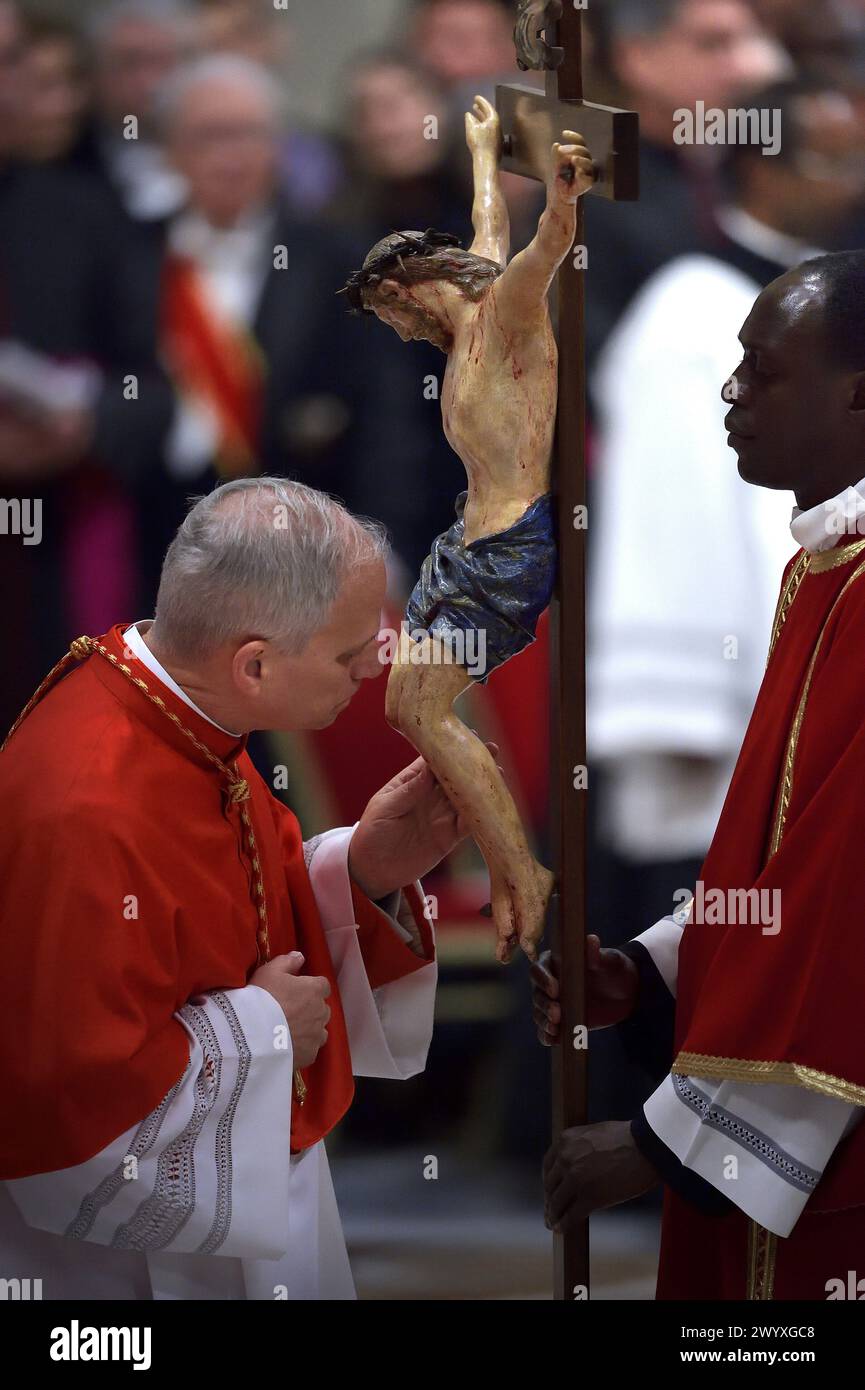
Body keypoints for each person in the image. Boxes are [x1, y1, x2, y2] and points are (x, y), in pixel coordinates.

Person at [0, 477, 453, 1301]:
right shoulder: (86, 800)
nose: (372, 666)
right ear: (253, 663)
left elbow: (237, 908)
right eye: (352, 651)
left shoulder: (182, 712)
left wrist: (364, 873)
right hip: (117, 1271)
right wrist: (263, 1025)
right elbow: (67, 1098)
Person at [534, 252, 865, 1301]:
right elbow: (782, 843)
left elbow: (842, 902)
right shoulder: (823, 566)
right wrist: (661, 963)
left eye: (762, 371)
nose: (731, 394)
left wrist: (662, 1144)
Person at [588, 77, 865, 969]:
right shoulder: (691, 308)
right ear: (757, 168)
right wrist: (687, 700)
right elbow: (668, 529)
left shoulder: (829, 301)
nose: (852, 179)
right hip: (712, 719)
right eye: (831, 158)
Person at [343, 99, 594, 961]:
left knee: (416, 704)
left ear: (411, 285)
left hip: (508, 551)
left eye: (391, 314)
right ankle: (510, 863)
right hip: (468, 546)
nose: (399, 330)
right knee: (409, 705)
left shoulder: (511, 316)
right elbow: (491, 223)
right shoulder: (469, 319)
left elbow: (542, 248)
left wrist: (564, 192)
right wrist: (486, 150)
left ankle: (518, 870)